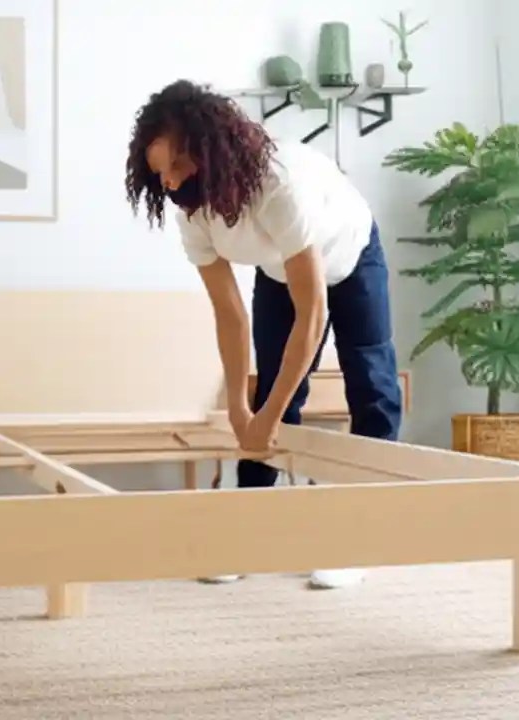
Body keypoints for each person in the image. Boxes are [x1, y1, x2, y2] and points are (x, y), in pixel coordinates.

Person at [125, 79, 403, 590]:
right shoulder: (193, 214)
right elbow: (229, 315)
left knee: (372, 385)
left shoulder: (277, 185)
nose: (169, 182)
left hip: (351, 254)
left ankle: (358, 541)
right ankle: (246, 538)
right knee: (272, 385)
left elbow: (312, 313)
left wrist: (268, 419)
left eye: (177, 165)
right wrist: (240, 407)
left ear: (210, 150)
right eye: (159, 173)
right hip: (279, 270)